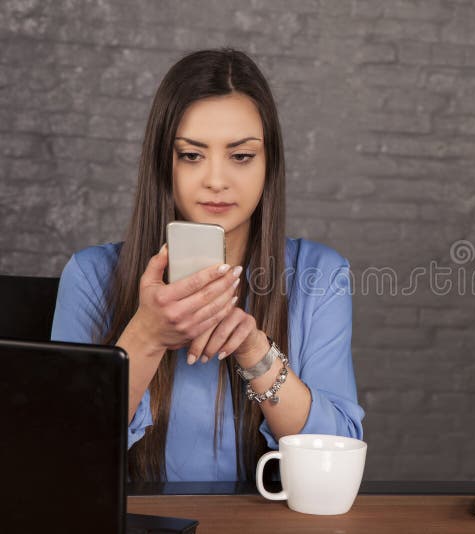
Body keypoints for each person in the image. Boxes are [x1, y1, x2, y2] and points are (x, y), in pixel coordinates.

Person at [50, 49, 364, 482]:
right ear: (164, 162)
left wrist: (257, 354)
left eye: (241, 156)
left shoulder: (319, 275)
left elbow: (337, 460)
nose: (216, 180)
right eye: (192, 155)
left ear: (269, 164)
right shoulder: (90, 276)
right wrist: (147, 335)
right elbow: (62, 452)